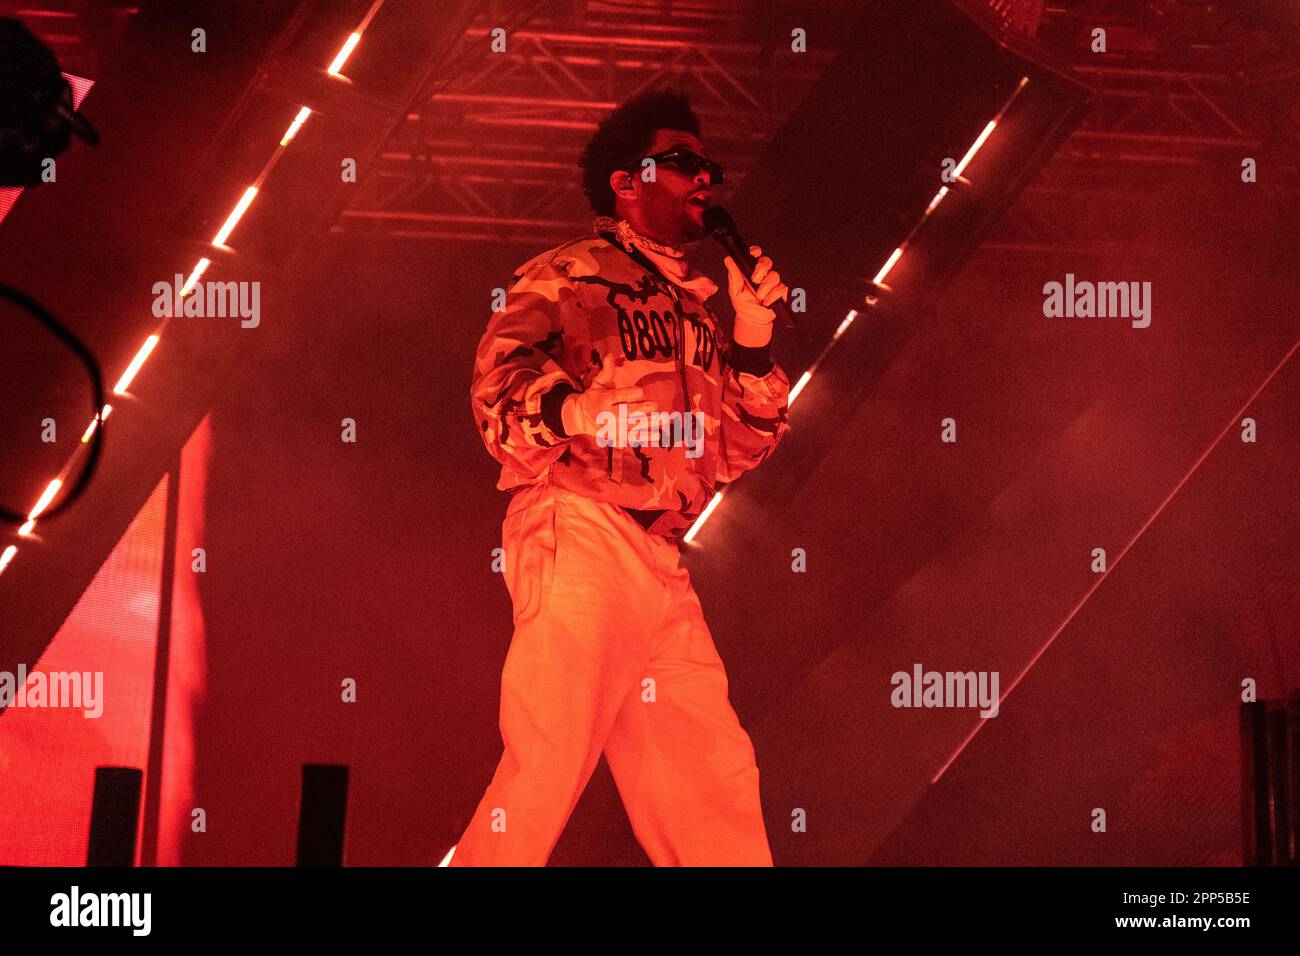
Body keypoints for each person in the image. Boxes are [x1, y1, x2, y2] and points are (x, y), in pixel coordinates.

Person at [453, 89, 791, 866]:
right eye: (681, 162)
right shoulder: (572, 274)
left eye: (707, 165)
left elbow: (736, 449)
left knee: (713, 780)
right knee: (547, 760)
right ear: (626, 180)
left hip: (661, 560)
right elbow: (495, 390)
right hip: (580, 526)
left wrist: (750, 338)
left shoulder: (701, 312)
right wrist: (580, 413)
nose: (703, 176)